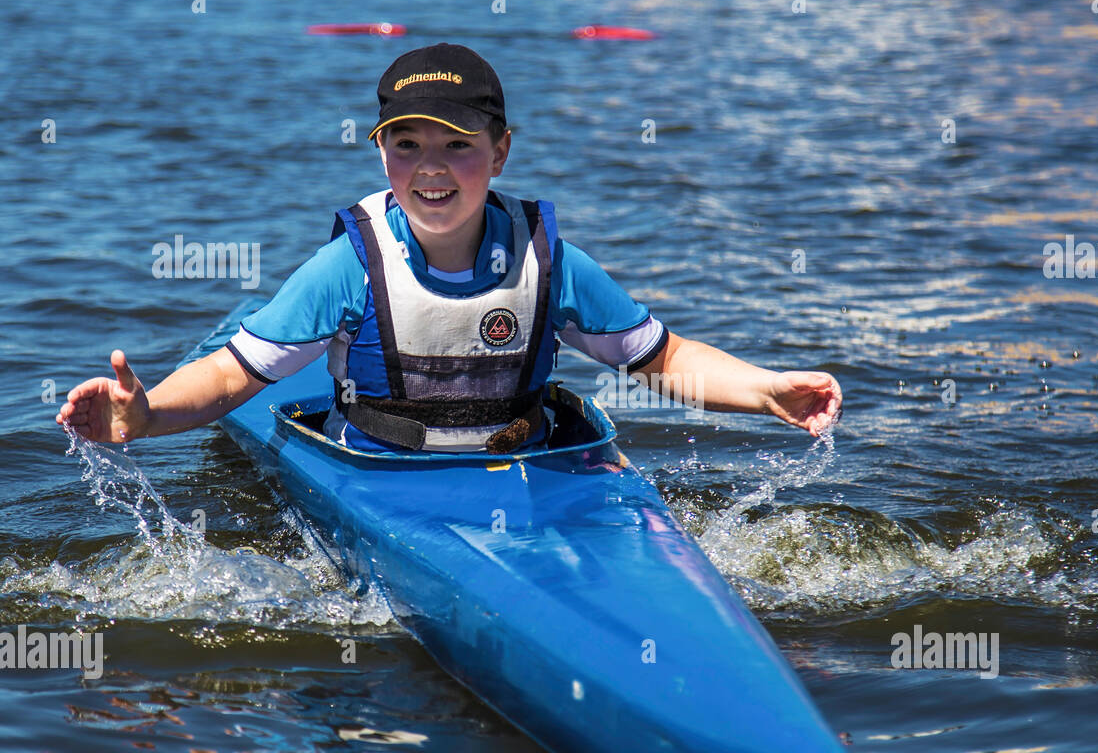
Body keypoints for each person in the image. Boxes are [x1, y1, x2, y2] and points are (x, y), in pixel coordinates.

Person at [56, 44, 841, 452]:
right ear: (382, 154)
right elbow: (233, 377)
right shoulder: (349, 266)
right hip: (380, 477)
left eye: (456, 144)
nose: (430, 167)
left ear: (500, 152)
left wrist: (768, 393)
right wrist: (146, 416)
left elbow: (661, 361)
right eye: (406, 143)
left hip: (529, 473)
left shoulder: (548, 260)